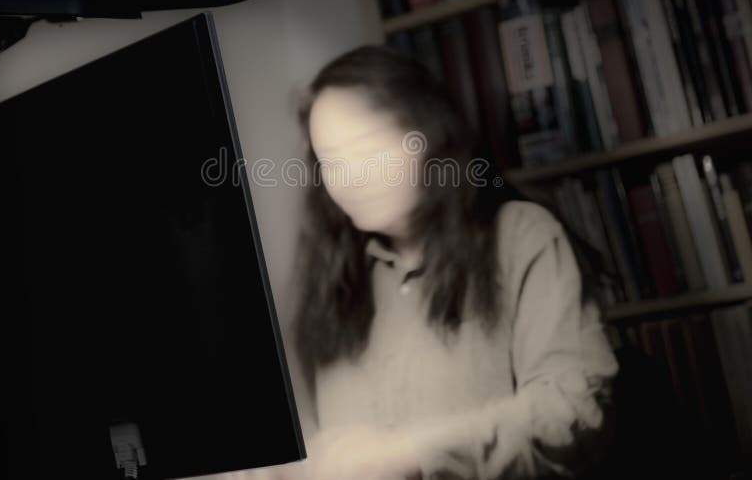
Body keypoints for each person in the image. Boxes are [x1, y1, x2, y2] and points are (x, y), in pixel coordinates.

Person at [226, 45, 619, 480]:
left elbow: (575, 412)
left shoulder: (522, 236)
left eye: (365, 147)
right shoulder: (330, 282)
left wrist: (409, 452)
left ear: (426, 133)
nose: (349, 177)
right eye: (331, 161)